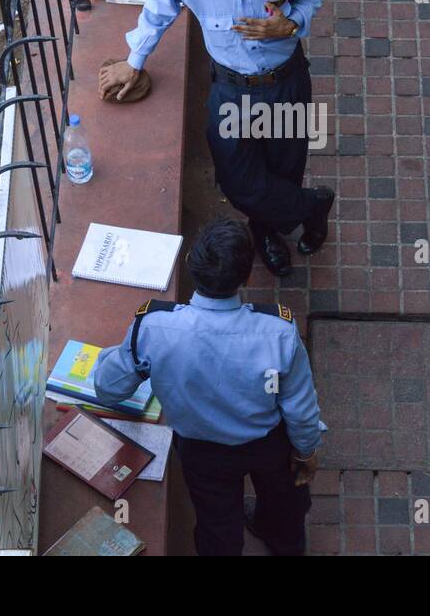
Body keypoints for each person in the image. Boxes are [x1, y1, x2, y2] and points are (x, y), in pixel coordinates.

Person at [98, 0, 333, 277]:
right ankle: (313, 206)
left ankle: (266, 232)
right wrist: (134, 60)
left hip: (286, 83)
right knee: (238, 181)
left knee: (283, 171)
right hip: (233, 93)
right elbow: (158, 10)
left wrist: (289, 25)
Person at [93, 218, 324, 556]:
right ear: (246, 277)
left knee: (217, 526)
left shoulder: (154, 327)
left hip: (202, 451)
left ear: (189, 263)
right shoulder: (279, 331)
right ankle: (280, 541)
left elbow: (108, 388)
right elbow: (300, 407)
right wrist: (305, 451)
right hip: (269, 445)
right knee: (285, 507)